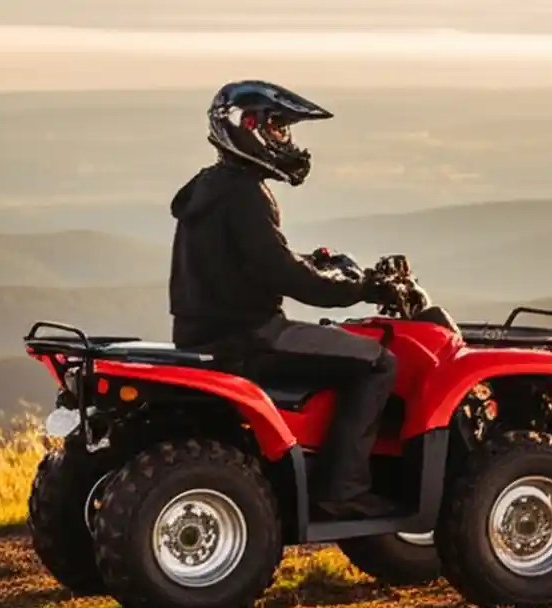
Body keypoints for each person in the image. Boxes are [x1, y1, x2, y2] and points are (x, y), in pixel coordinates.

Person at [168, 80, 399, 519]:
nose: (285, 141)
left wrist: (315, 263)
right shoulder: (246, 195)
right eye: (278, 130)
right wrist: (362, 289)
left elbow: (253, 259)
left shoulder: (210, 187)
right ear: (248, 127)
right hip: (251, 337)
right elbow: (287, 276)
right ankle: (342, 490)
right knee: (378, 361)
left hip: (204, 334)